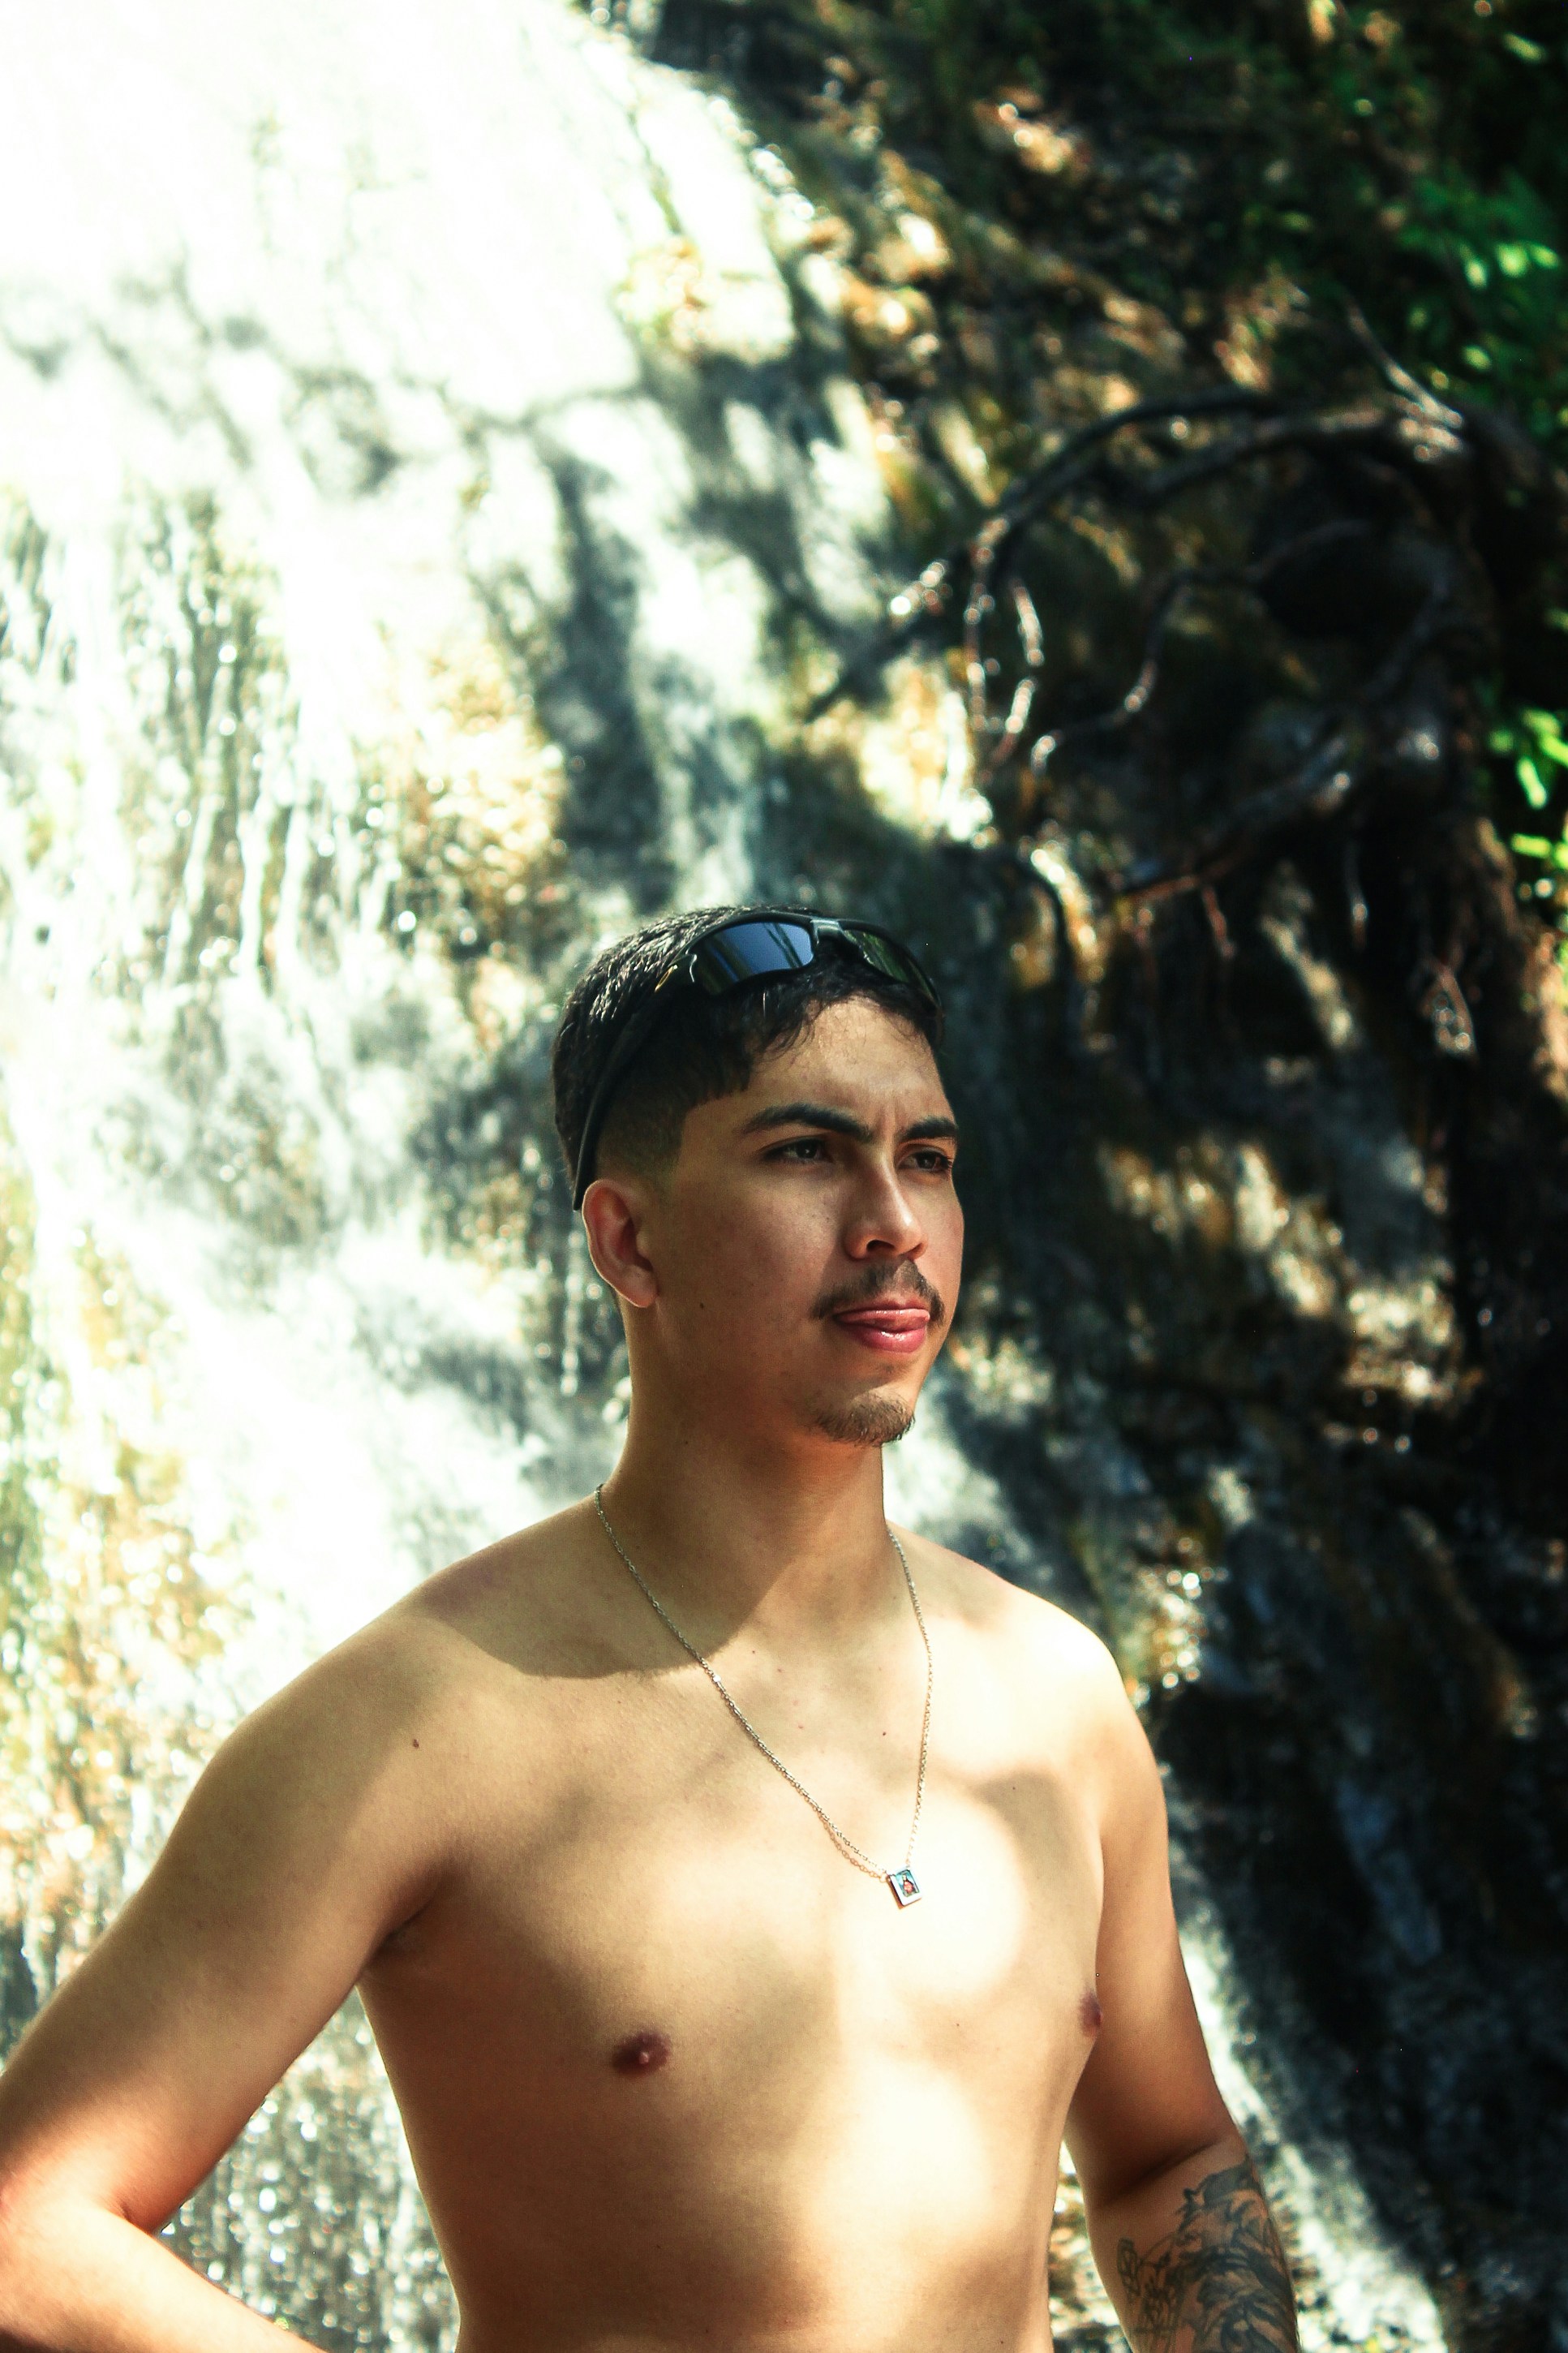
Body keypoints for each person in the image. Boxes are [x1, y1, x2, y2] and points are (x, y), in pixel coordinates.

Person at [0, 905, 1298, 2353]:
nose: (892, 1224)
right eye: (805, 1153)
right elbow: (28, 2224)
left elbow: (1164, 2161)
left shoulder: (1053, 1696)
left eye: (924, 1158)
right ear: (629, 1240)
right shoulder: (418, 1727)